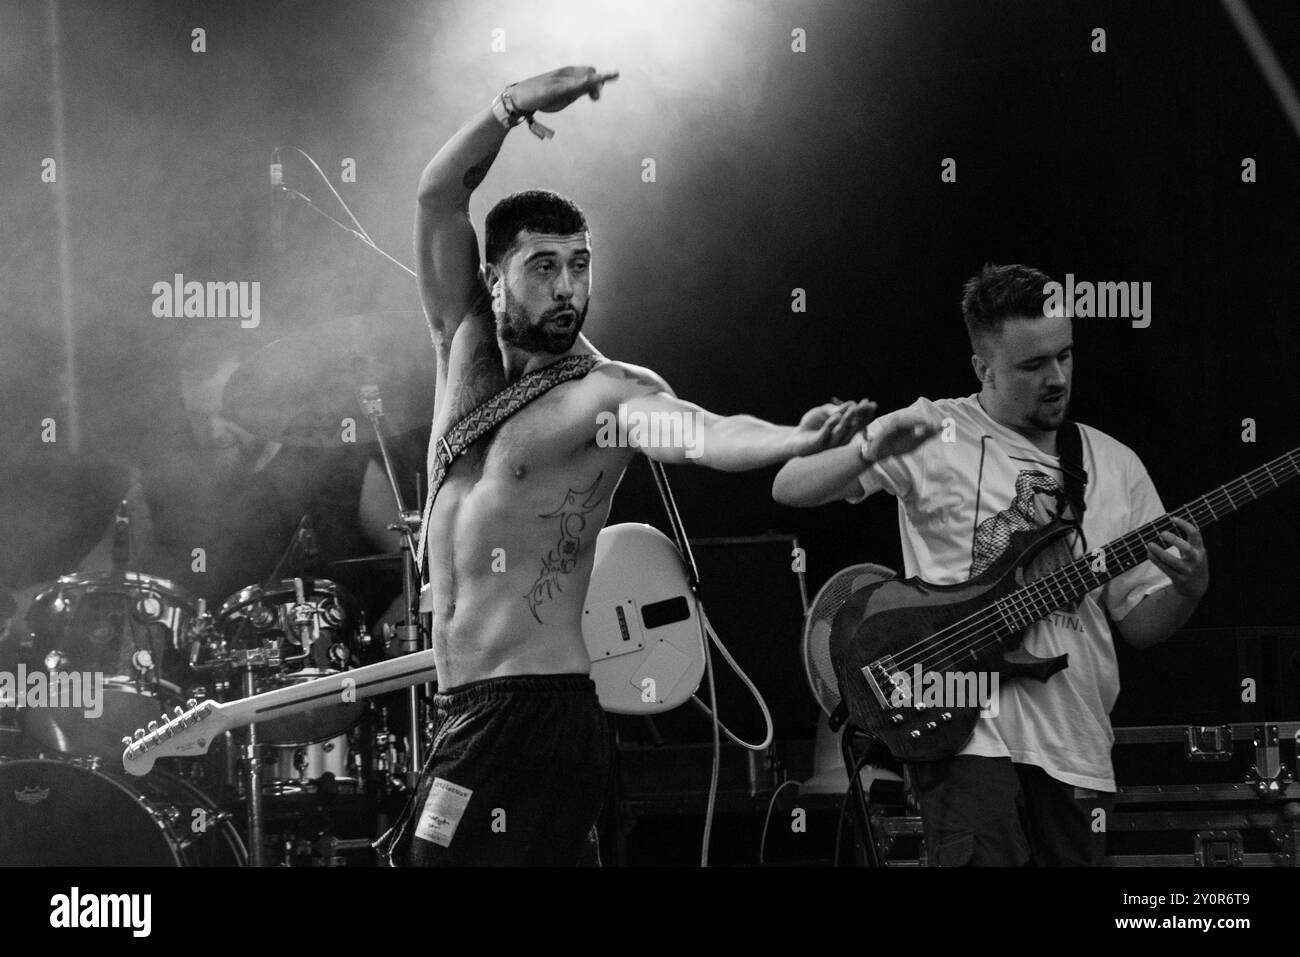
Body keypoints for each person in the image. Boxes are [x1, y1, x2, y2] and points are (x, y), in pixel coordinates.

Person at [377, 64, 931, 867]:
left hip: (535, 711)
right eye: (544, 267)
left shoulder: (604, 393)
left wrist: (795, 439)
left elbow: (699, 431)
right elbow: (436, 196)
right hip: (466, 706)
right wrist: (509, 106)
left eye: (580, 264)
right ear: (493, 279)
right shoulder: (459, 341)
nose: (569, 287)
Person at [772, 263, 1210, 866]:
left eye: (1065, 356)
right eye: (1032, 366)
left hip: (1076, 743)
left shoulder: (1116, 464)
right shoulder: (935, 429)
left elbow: (1137, 624)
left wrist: (1188, 590)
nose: (1056, 378)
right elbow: (791, 486)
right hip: (965, 730)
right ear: (984, 369)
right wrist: (873, 441)